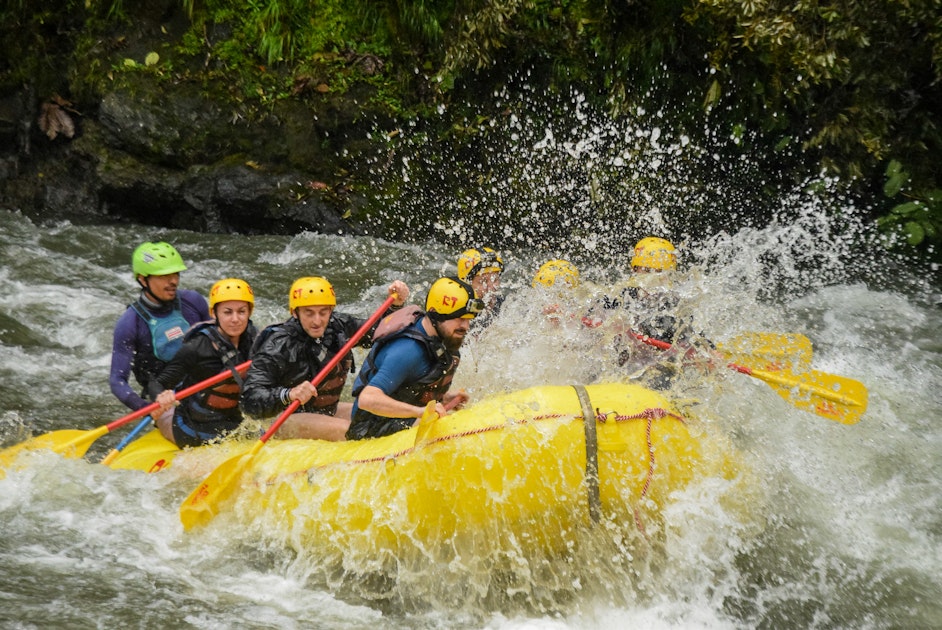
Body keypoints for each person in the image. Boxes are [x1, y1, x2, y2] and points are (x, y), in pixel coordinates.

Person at [240, 276, 409, 441]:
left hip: (326, 411)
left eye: (323, 312)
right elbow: (249, 400)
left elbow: (378, 332)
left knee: (379, 418)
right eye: (309, 313)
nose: (317, 321)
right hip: (284, 420)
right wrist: (289, 394)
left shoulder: (337, 326)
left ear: (330, 310)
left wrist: (395, 307)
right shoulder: (277, 346)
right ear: (295, 312)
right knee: (354, 432)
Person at [345, 276, 479, 440]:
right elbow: (367, 398)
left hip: (399, 419)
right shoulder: (407, 351)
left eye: (469, 319)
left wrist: (443, 398)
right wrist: (420, 413)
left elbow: (409, 387)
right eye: (459, 318)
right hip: (370, 429)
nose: (465, 326)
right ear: (436, 315)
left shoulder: (440, 339)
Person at [151, 278, 257, 447]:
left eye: (241, 311)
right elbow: (158, 383)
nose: (235, 319)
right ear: (214, 313)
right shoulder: (196, 348)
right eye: (227, 312)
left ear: (250, 312)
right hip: (195, 426)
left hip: (234, 420)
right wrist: (161, 396)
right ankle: (161, 420)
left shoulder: (255, 340)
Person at [109, 241, 210, 412]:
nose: (173, 281)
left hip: (203, 385)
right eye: (164, 276)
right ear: (142, 279)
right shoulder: (129, 323)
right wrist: (145, 407)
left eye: (175, 274)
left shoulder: (193, 301)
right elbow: (117, 380)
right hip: (164, 398)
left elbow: (220, 338)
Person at [457, 247, 504, 329]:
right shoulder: (456, 314)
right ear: (466, 285)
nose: (491, 287)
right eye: (483, 282)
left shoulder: (507, 306)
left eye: (495, 279)